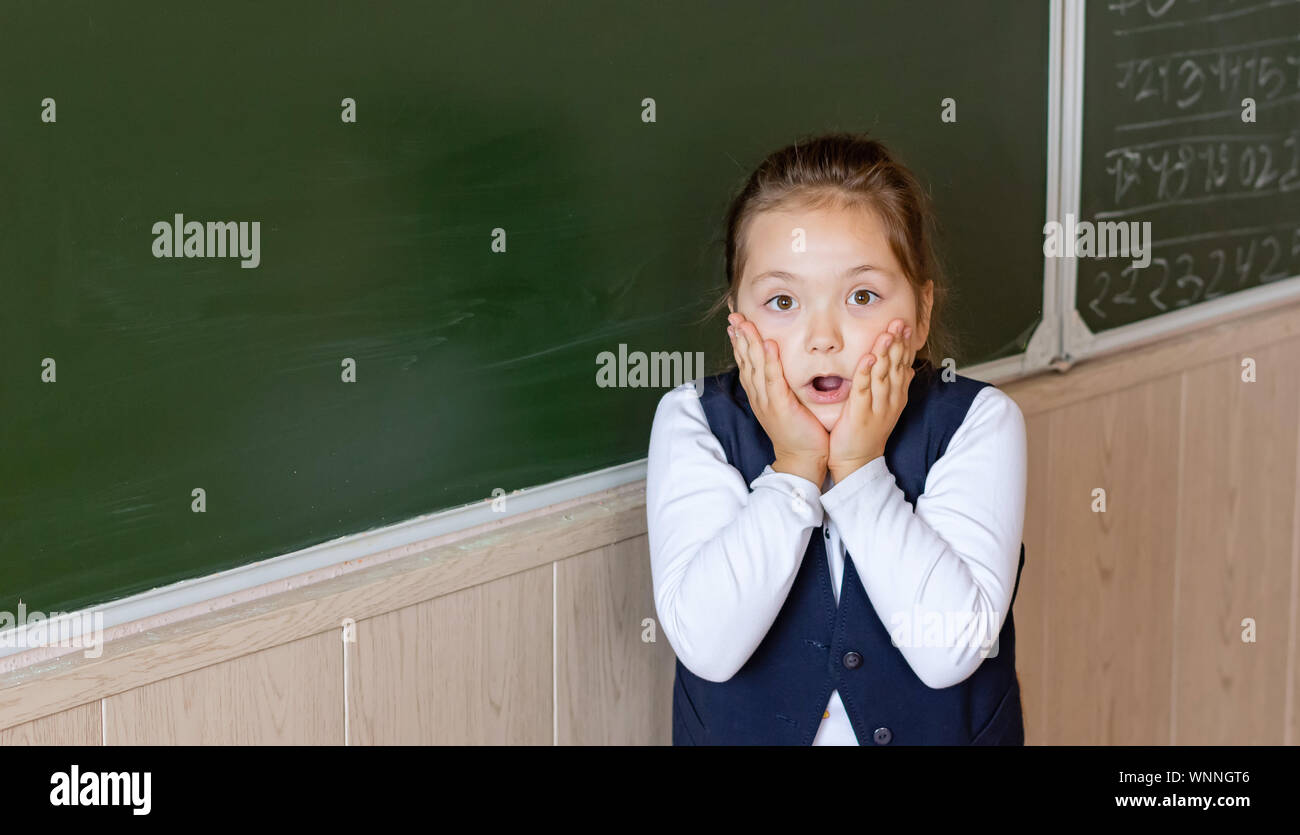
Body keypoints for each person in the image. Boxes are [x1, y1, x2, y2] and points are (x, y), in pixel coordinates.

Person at [646, 132, 1028, 745]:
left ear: (922, 313)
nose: (823, 337)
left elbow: (950, 651)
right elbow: (708, 648)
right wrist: (795, 467)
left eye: (862, 296)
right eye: (782, 300)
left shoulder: (979, 422)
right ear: (736, 318)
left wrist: (859, 470)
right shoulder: (695, 423)